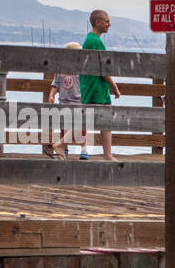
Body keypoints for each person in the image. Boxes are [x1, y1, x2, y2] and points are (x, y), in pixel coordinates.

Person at [80, 10, 122, 160]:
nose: (109, 24)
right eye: (107, 21)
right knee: (104, 121)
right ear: (98, 22)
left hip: (93, 86)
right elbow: (103, 69)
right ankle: (108, 155)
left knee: (90, 120)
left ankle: (107, 154)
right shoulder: (95, 41)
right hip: (96, 87)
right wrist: (114, 86)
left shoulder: (90, 39)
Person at [47, 42, 84, 159]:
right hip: (63, 101)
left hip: (78, 101)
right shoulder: (61, 69)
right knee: (65, 126)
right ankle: (64, 149)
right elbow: (55, 84)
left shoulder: (82, 69)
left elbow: (85, 85)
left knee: (81, 125)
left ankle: (82, 149)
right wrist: (51, 95)